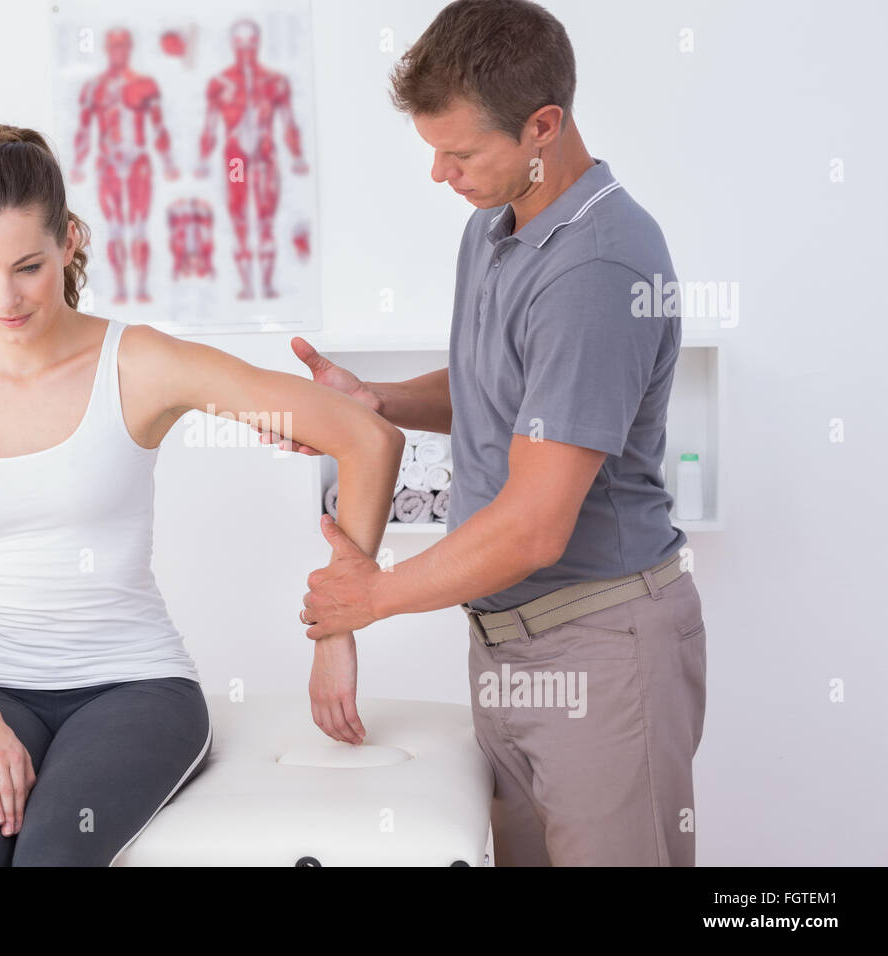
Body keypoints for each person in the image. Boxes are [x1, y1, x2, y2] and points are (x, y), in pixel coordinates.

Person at [0, 124, 403, 866]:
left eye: (28, 266)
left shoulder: (138, 365)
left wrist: (339, 625)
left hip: (134, 690)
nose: (5, 299)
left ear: (70, 240)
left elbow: (369, 439)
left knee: (53, 854)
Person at [267, 0, 707, 866]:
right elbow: (504, 393)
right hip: (506, 644)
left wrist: (373, 596)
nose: (439, 173)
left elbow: (538, 523)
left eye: (459, 152)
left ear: (543, 126)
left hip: (601, 648)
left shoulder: (599, 266)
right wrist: (379, 401)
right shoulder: (496, 229)